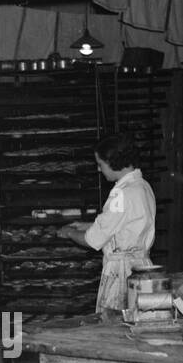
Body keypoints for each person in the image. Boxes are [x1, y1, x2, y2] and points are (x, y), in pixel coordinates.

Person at [59, 133, 156, 317]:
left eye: (100, 164)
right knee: (139, 322)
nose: (98, 169)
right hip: (141, 266)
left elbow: (92, 239)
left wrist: (70, 232)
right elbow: (122, 224)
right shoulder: (142, 186)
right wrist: (88, 224)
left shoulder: (121, 194)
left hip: (122, 274)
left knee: (116, 325)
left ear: (113, 162)